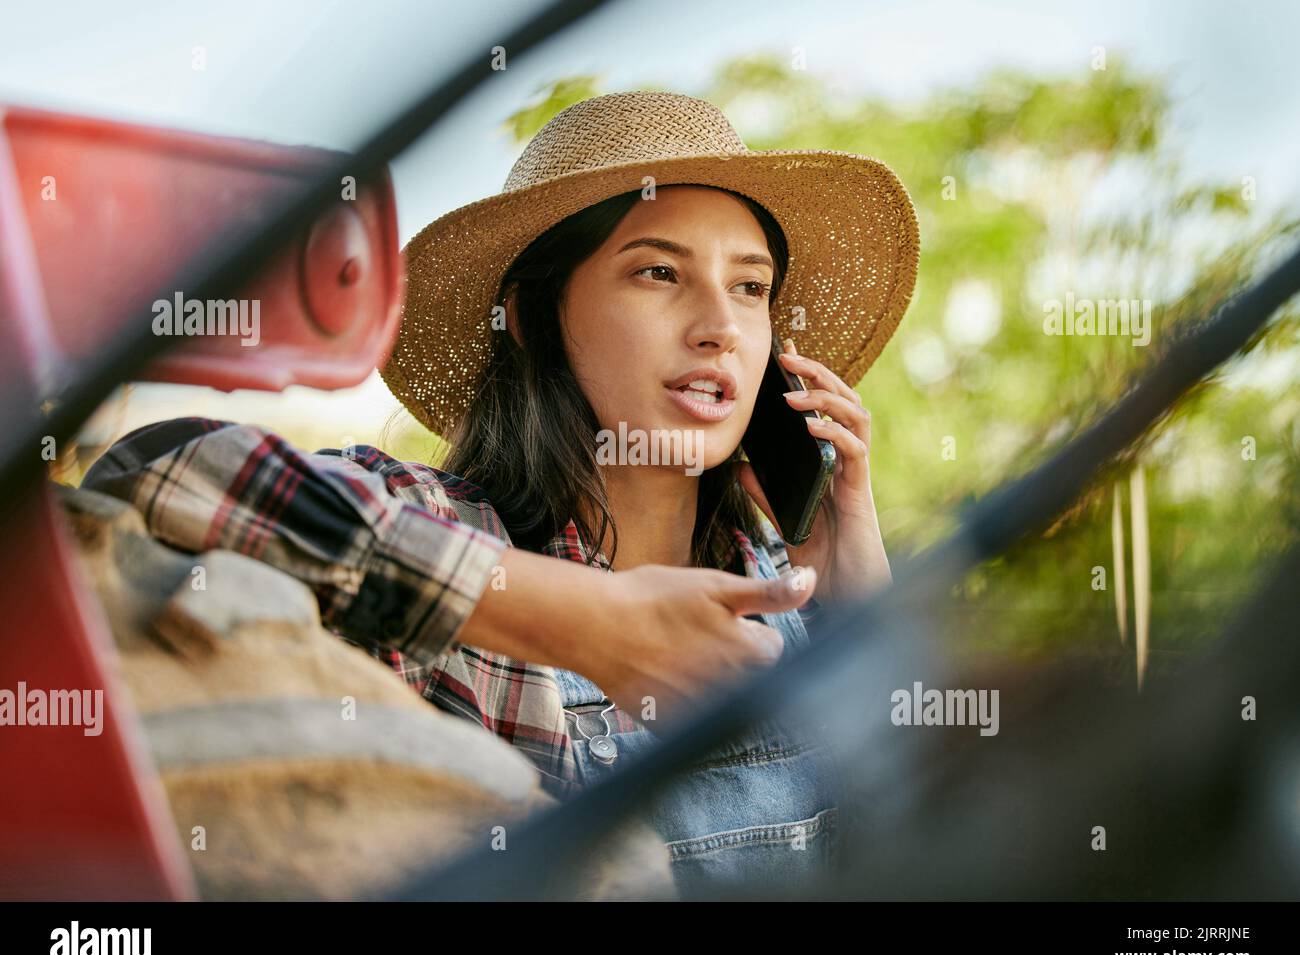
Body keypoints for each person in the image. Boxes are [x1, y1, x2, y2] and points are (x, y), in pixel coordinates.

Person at [83, 90, 919, 896]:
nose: (719, 326)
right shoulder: (440, 519)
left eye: (750, 286)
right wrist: (573, 616)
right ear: (530, 317)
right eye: (659, 272)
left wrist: (858, 605)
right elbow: (159, 469)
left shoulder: (795, 589)